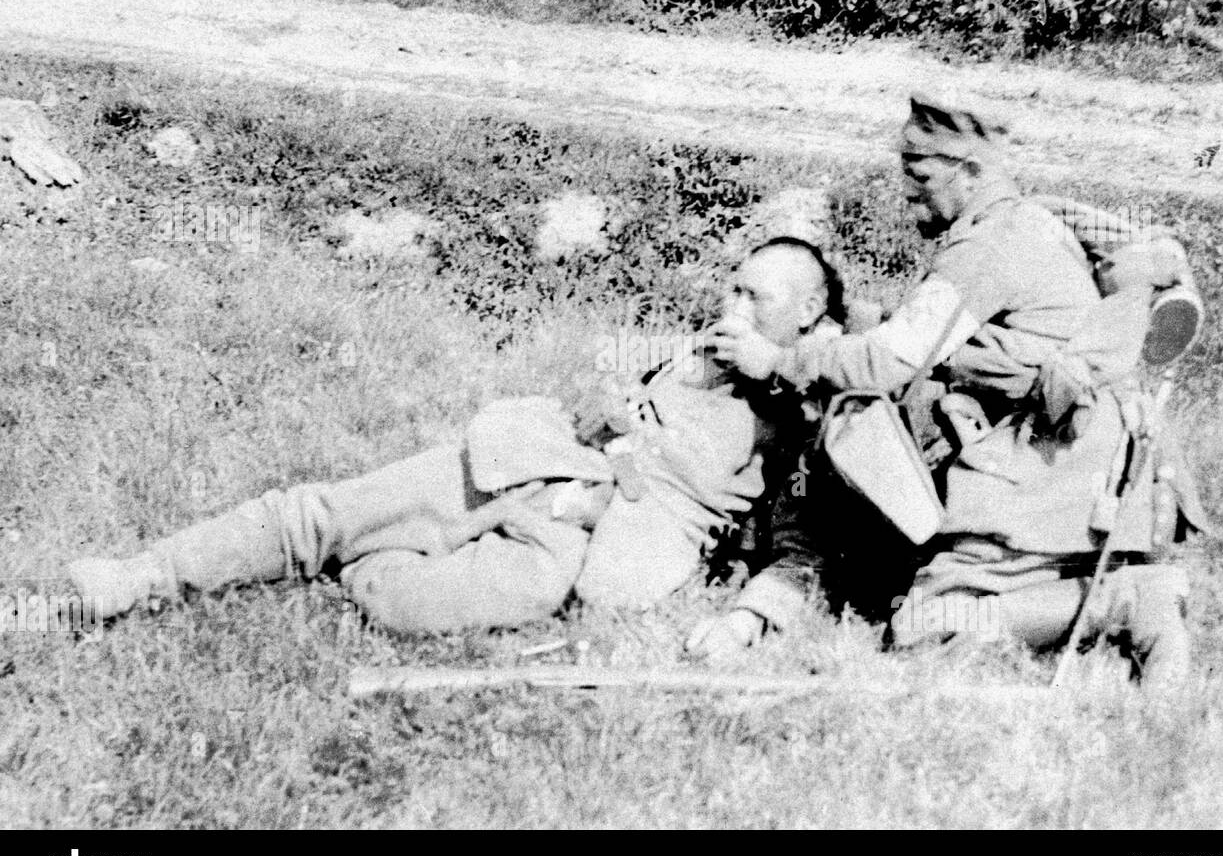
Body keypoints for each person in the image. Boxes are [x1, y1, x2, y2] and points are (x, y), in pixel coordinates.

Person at [690, 94, 1208, 690]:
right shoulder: (1023, 222)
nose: (908, 191)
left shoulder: (982, 247)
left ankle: (1128, 598)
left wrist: (780, 357)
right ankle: (1092, 585)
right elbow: (937, 336)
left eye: (922, 175)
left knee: (927, 624)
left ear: (970, 171)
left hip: (1054, 466)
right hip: (1080, 462)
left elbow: (889, 362)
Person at [68, 239, 839, 636]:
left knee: (404, 600)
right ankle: (140, 576)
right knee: (323, 511)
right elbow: (592, 407)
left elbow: (800, 549)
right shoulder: (684, 353)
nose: (729, 307)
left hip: (582, 541)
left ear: (807, 316)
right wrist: (615, 410)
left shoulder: (803, 421)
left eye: (754, 298)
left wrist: (748, 620)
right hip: (532, 467)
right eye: (730, 287)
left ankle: (368, 567)